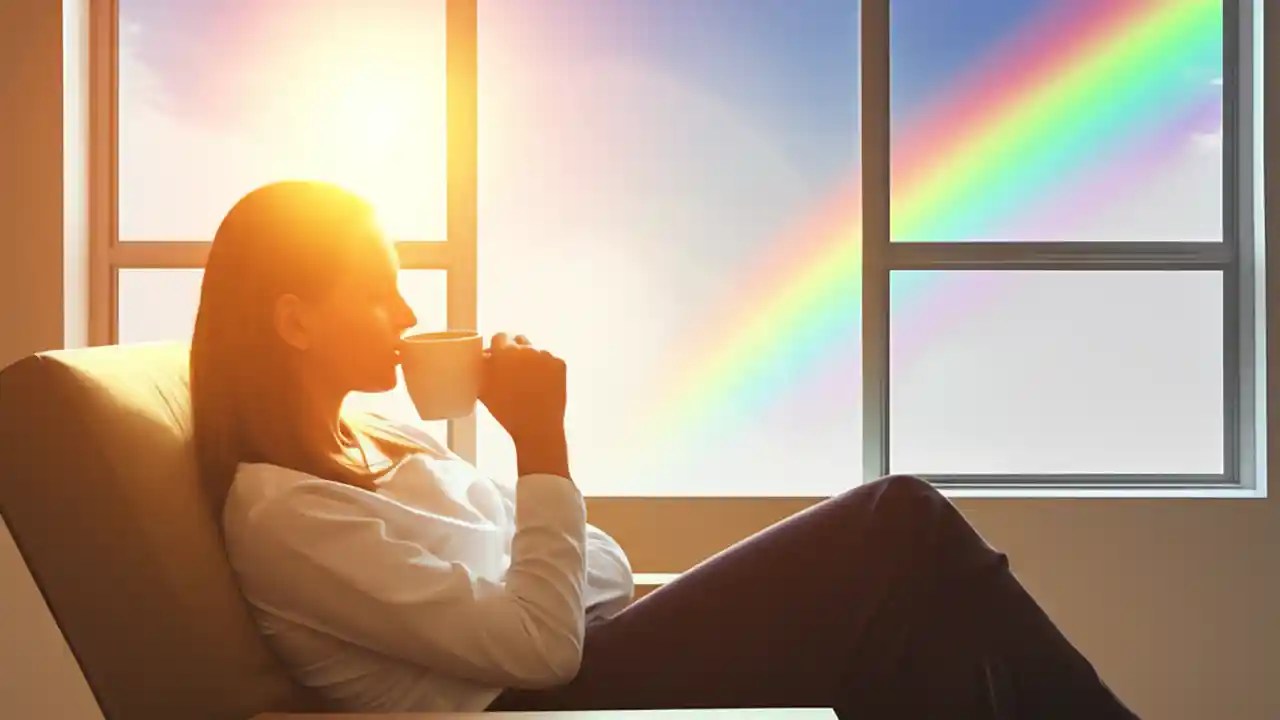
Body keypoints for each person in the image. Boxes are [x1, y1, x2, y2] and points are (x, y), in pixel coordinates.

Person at [194, 181, 1139, 719]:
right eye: (378, 293)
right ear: (295, 320)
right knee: (899, 522)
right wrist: (543, 443)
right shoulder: (286, 518)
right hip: (535, 708)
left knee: (903, 625)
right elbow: (541, 642)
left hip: (577, 657)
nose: (407, 316)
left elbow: (587, 574)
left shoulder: (379, 438)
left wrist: (558, 570)